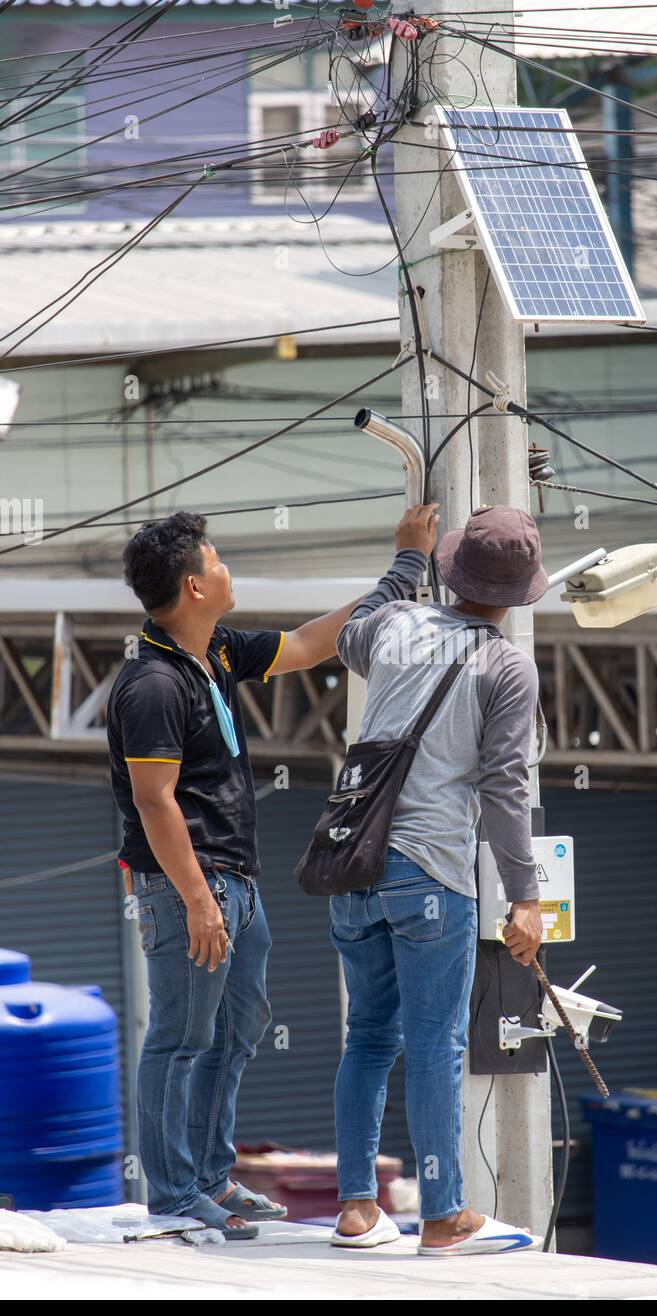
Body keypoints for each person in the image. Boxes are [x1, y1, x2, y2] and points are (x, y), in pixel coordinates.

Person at [107, 509, 405, 1239]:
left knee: (236, 1028)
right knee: (179, 1036)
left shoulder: (215, 652)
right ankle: (174, 1194)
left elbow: (308, 643)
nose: (227, 569)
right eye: (217, 561)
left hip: (234, 883)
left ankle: (211, 1176)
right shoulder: (152, 683)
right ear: (193, 586)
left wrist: (400, 579)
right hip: (190, 887)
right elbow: (153, 801)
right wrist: (197, 899)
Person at [329, 504, 546, 1255]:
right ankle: (443, 1215)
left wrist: (404, 559)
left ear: (450, 572)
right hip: (430, 874)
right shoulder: (507, 667)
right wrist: (525, 896)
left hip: (351, 862)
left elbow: (350, 634)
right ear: (518, 594)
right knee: (433, 1044)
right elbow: (505, 787)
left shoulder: (396, 624)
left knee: (366, 1036)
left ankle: (357, 1208)